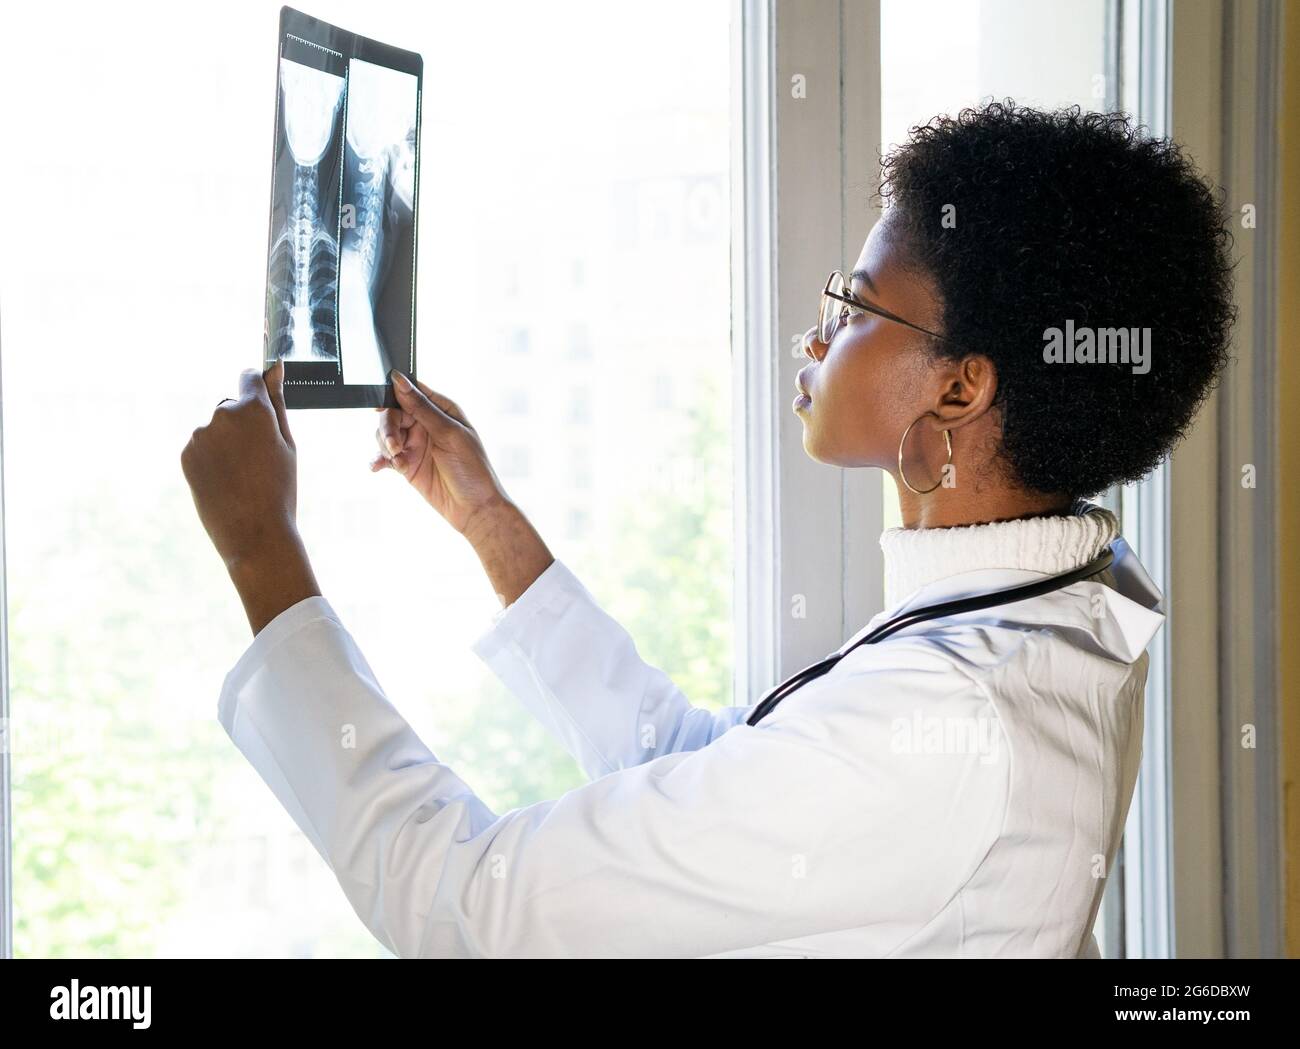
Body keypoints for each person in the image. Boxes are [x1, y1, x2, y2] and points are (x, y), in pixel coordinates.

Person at [181, 101, 1234, 957]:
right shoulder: (1050, 603)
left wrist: (259, 549)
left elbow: (467, 904)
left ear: (960, 388)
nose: (813, 333)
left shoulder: (950, 720)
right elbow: (705, 768)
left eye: (857, 305)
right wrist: (485, 518)